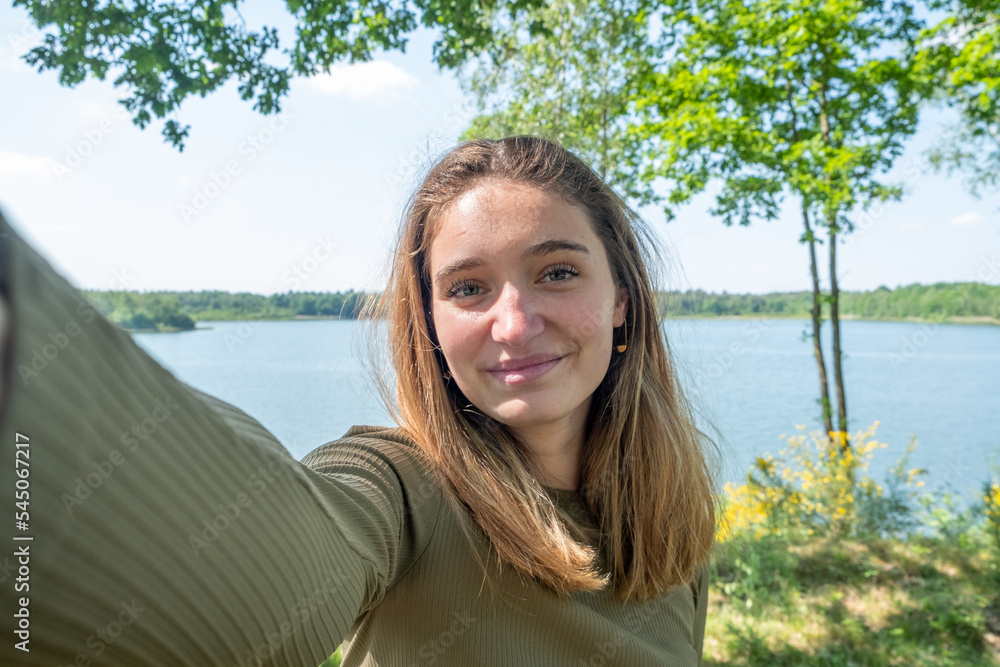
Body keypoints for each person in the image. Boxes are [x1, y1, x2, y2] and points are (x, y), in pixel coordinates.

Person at [0, 135, 717, 666]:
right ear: (431, 324)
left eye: (557, 271)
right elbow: (247, 575)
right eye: (468, 288)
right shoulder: (403, 490)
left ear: (621, 299)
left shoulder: (674, 518)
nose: (515, 323)